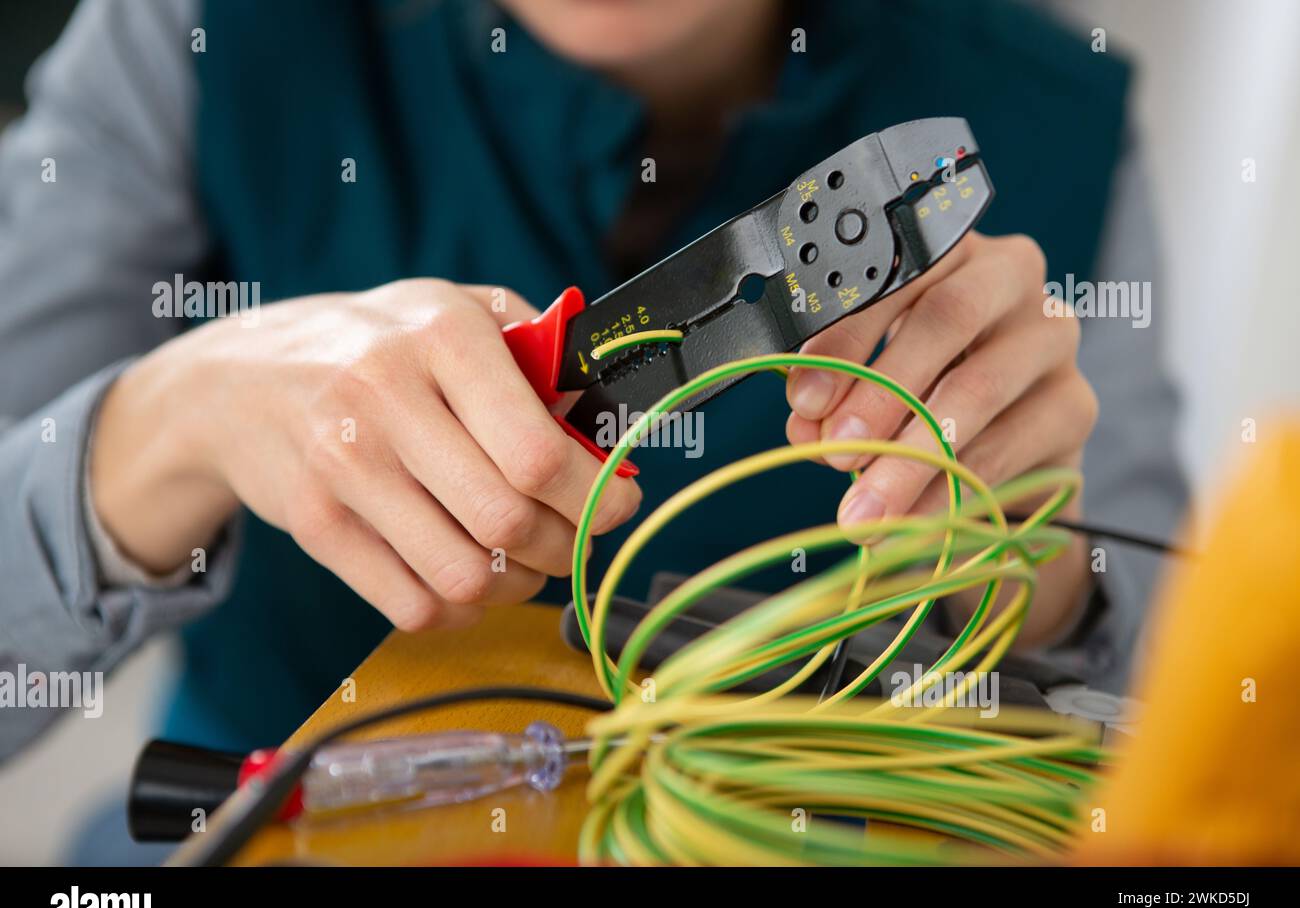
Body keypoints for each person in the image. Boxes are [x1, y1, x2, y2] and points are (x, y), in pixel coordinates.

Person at [0, 0, 1184, 773]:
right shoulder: (188, 34)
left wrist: (1031, 580)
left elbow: (1182, 745)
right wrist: (171, 421)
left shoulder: (1055, 118)